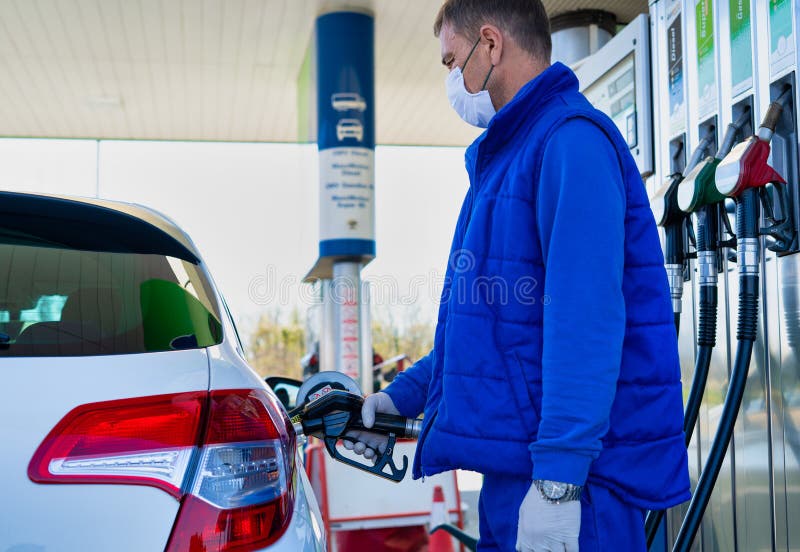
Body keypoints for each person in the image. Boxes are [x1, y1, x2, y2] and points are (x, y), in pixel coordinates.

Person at [346, 1, 690, 550]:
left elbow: (584, 324)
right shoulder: (508, 157)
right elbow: (495, 332)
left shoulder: (569, 143)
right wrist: (400, 399)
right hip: (520, 474)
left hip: (577, 486)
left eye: (451, 61)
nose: (451, 80)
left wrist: (558, 484)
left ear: (491, 44)